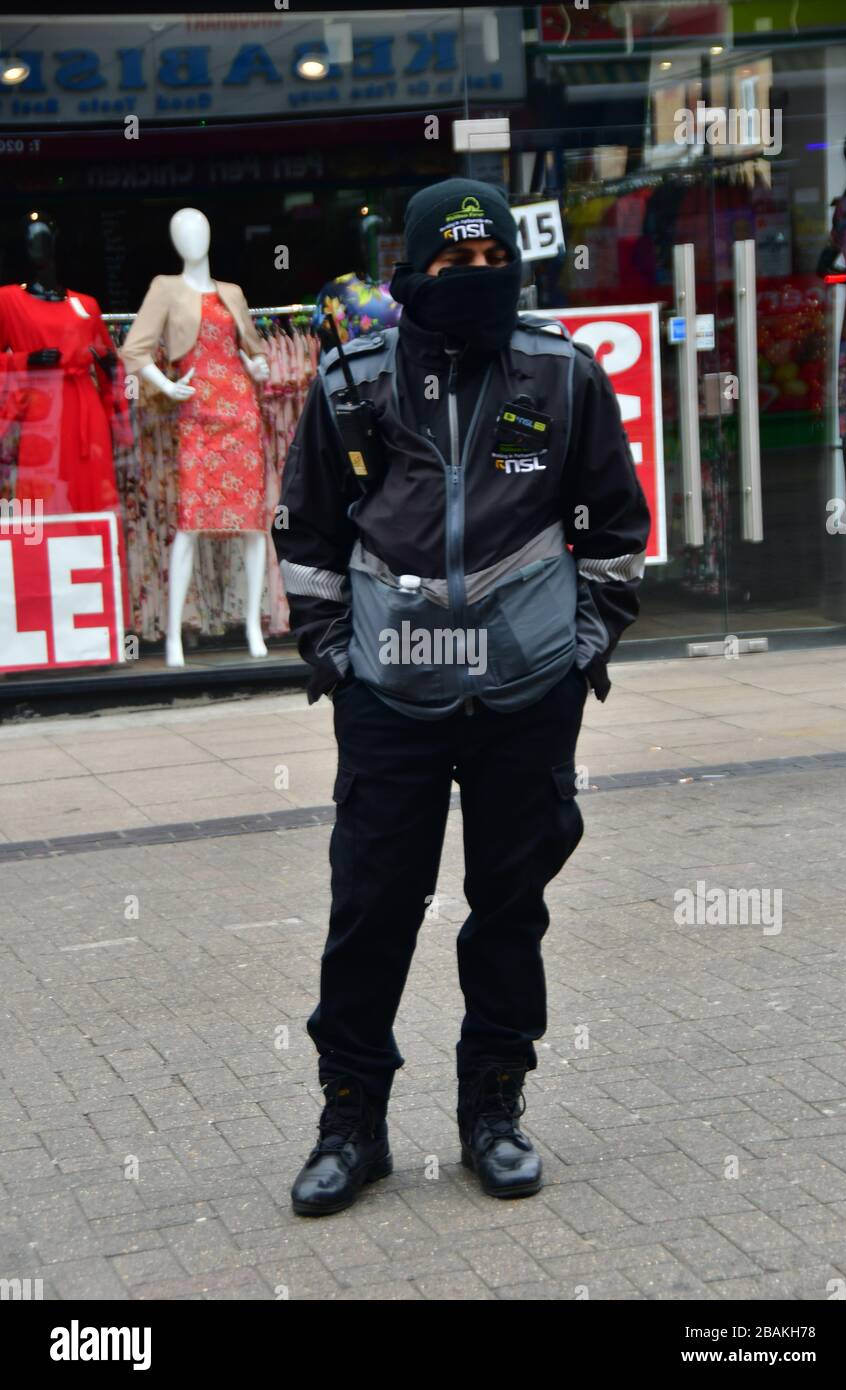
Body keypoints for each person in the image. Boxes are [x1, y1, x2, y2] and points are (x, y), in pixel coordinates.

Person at [273, 177, 651, 1216]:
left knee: (508, 911)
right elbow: (307, 532)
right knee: (370, 908)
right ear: (414, 271)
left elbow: (613, 530)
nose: (475, 281)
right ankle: (350, 1117)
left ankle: (493, 1107)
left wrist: (579, 651)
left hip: (526, 694)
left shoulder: (561, 376)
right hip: (390, 695)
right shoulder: (353, 380)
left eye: (491, 265)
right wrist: (332, 658)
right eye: (452, 265)